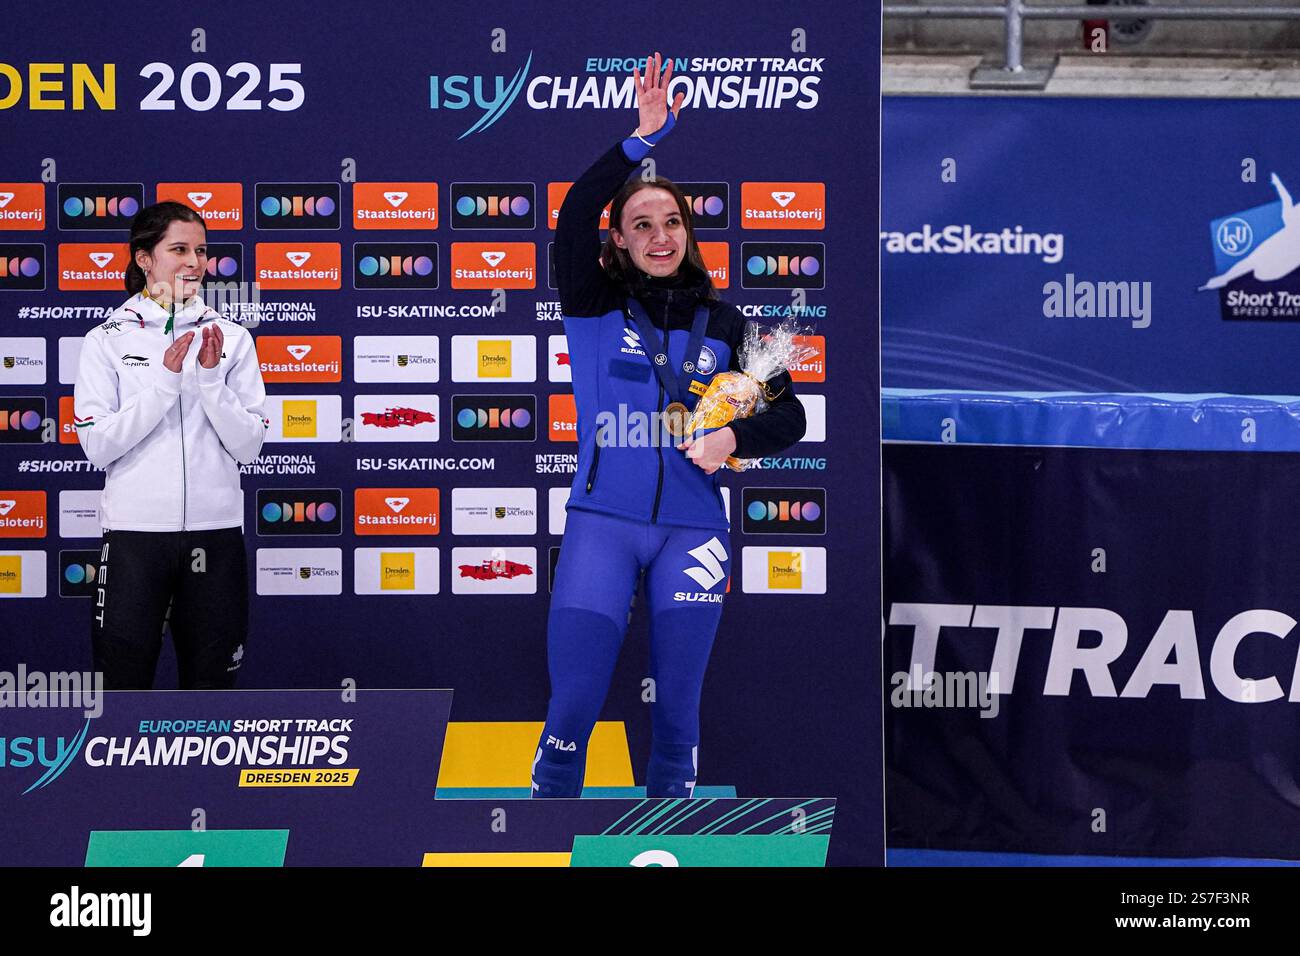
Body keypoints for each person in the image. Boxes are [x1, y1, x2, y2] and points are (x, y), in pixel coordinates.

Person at [532, 52, 807, 798]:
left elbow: (791, 415)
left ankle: (668, 842)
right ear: (617, 239)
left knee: (679, 719)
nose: (660, 235)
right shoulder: (592, 305)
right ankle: (548, 831)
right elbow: (570, 214)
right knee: (574, 707)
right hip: (601, 525)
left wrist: (732, 439)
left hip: (695, 531)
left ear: (687, 230)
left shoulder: (726, 322)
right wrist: (640, 140)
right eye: (641, 223)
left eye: (671, 221)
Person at [74, 201, 267, 689]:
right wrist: (164, 385)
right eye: (178, 249)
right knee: (122, 687)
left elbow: (249, 447)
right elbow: (97, 445)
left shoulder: (233, 339)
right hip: (136, 540)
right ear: (144, 259)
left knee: (212, 691)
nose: (194, 263)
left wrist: (208, 383)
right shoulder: (106, 340)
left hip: (216, 537)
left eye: (200, 251)